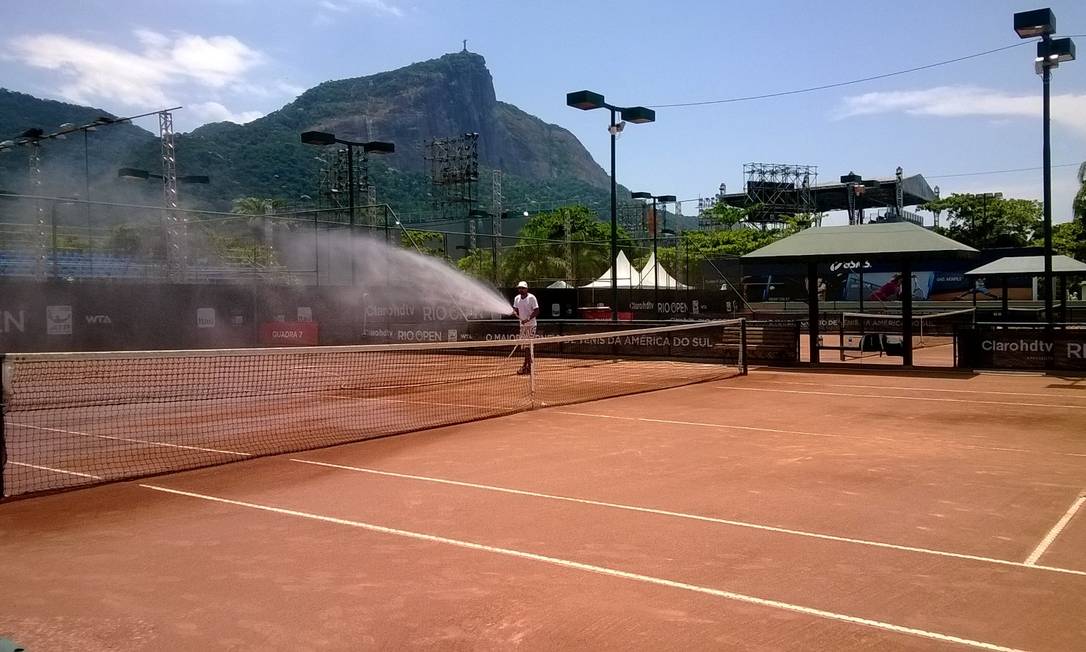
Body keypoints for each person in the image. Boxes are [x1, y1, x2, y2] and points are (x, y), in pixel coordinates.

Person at [511, 281, 539, 375]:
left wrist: (527, 319)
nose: (521, 290)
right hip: (522, 326)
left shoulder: (532, 298)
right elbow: (515, 309)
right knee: (525, 347)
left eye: (523, 288)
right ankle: (528, 366)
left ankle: (526, 366)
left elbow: (536, 311)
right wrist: (514, 311)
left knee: (528, 346)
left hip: (531, 325)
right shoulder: (516, 298)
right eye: (519, 288)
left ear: (526, 289)